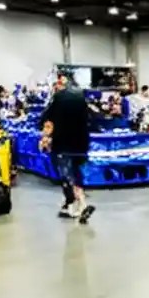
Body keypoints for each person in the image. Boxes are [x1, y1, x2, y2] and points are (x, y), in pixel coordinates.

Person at [39, 75, 95, 224]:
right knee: (76, 175)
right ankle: (76, 204)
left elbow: (46, 119)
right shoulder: (81, 98)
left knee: (67, 176)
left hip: (63, 144)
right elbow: (92, 119)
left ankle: (76, 205)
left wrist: (45, 137)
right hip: (81, 144)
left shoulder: (58, 99)